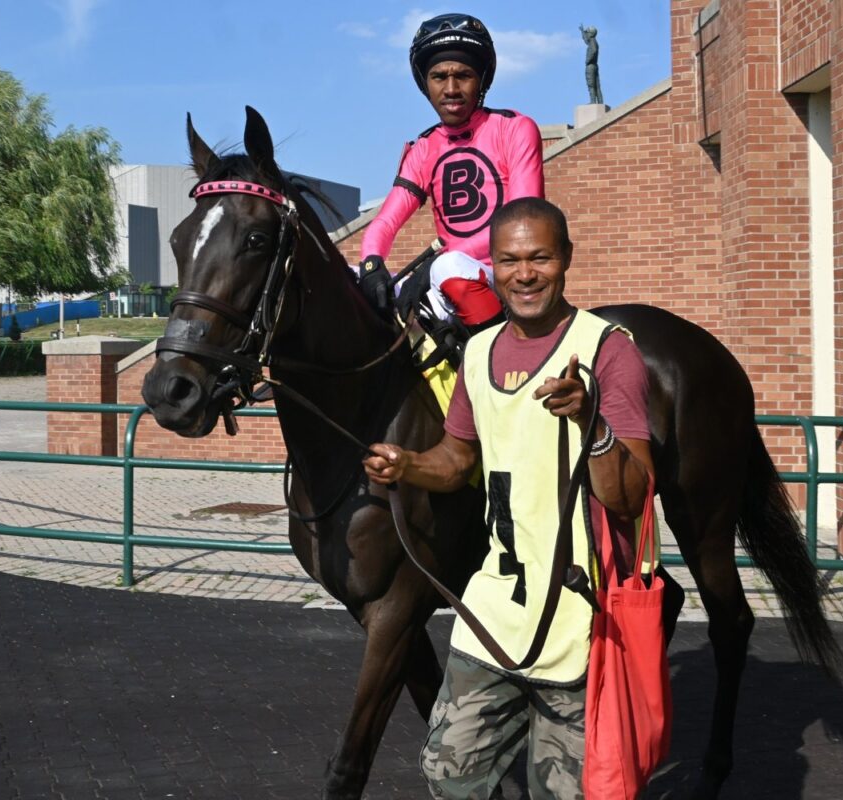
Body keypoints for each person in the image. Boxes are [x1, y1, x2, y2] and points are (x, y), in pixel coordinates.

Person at [363, 197, 653, 799]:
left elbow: (632, 497)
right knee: (449, 772)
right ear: (490, 267)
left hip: (581, 618)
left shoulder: (607, 350)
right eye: (509, 260)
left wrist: (594, 427)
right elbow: (459, 458)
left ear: (566, 259)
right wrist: (409, 464)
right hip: (496, 608)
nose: (524, 273)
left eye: (540, 258)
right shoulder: (478, 350)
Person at [357, 13, 545, 330]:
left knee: (449, 266)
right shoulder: (425, 147)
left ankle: (501, 360)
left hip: (504, 272)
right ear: (425, 84)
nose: (451, 88)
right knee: (344, 276)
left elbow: (521, 222)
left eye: (464, 75)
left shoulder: (515, 128)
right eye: (439, 76)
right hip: (446, 277)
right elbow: (386, 221)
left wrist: (432, 268)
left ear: (482, 80)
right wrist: (371, 263)